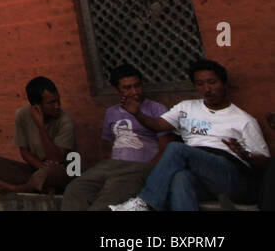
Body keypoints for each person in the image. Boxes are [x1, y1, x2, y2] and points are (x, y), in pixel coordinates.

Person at [110, 59, 270, 210]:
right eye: (200, 84)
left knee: (177, 149)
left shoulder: (244, 120)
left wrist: (245, 155)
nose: (207, 89)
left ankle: (144, 203)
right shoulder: (186, 107)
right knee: (181, 178)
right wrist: (137, 113)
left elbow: (264, 161)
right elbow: (157, 125)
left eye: (212, 82)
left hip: (230, 176)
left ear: (224, 83)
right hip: (201, 178)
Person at [62, 64, 172, 210]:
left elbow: (167, 145)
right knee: (74, 190)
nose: (134, 92)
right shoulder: (111, 112)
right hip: (111, 166)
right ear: (116, 89)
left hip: (137, 167)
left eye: (137, 86)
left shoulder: (156, 109)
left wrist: (150, 170)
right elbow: (107, 146)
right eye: (127, 88)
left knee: (104, 204)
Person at [0, 76, 76, 194]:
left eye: (58, 100)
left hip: (63, 170)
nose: (57, 106)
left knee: (52, 171)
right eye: (51, 103)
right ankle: (42, 185)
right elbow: (24, 152)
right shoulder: (22, 115)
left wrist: (41, 127)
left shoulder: (65, 120)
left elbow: (55, 159)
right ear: (37, 106)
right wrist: (41, 168)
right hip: (38, 169)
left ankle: (21, 188)